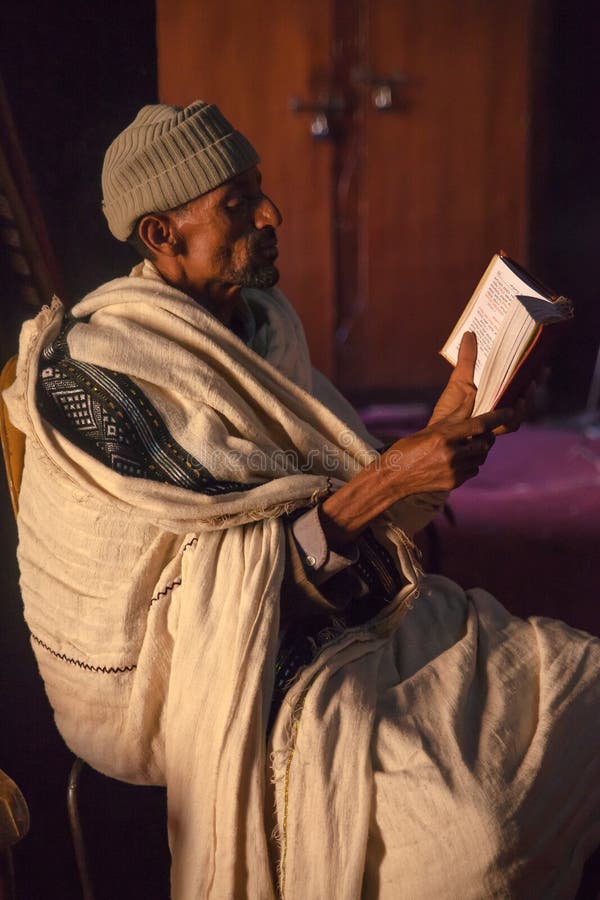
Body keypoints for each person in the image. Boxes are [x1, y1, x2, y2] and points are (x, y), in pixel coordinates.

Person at [5, 101, 599, 899]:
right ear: (160, 235)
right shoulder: (94, 373)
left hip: (346, 613)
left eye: (260, 189)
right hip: (217, 672)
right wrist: (389, 481)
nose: (271, 212)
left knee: (580, 682)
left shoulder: (261, 325)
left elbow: (325, 491)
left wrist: (447, 423)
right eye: (238, 201)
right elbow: (187, 600)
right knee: (478, 840)